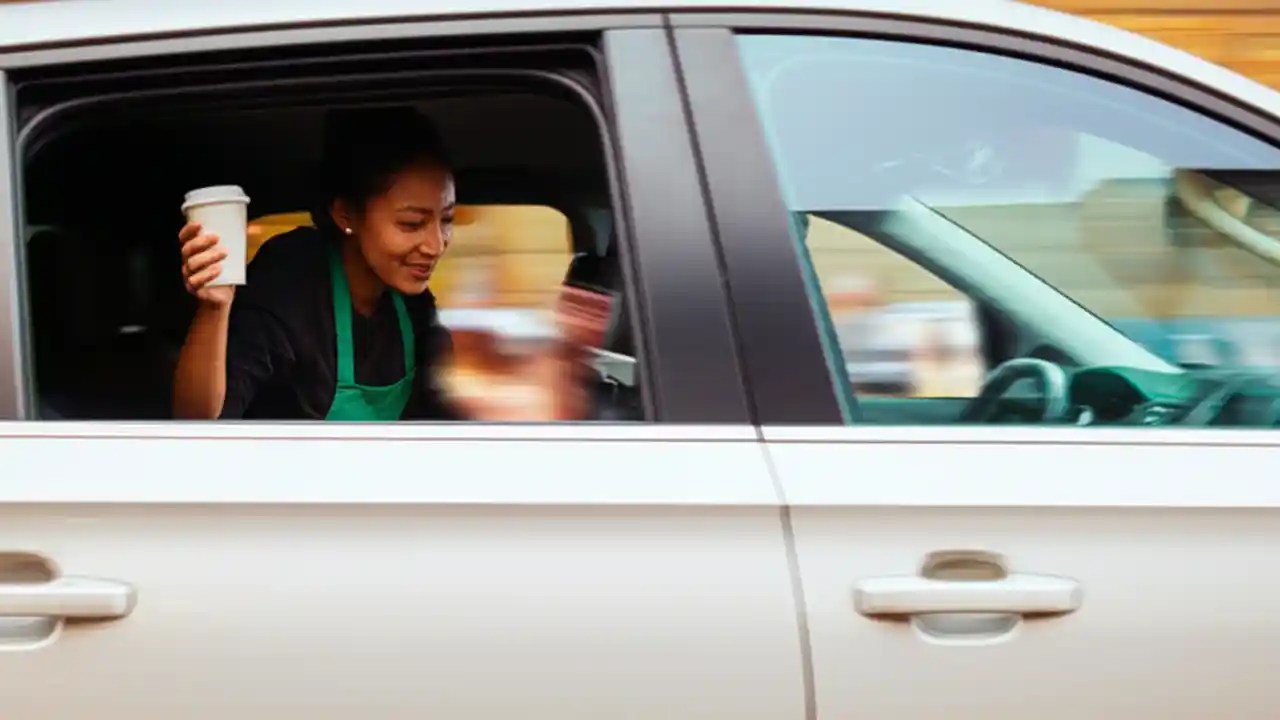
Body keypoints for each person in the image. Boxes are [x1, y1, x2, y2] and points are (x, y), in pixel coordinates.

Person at [172, 106, 585, 421]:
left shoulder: (412, 307)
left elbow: (445, 411)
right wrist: (215, 307)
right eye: (411, 223)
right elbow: (199, 423)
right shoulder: (289, 287)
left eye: (445, 220)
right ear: (345, 215)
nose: (436, 244)